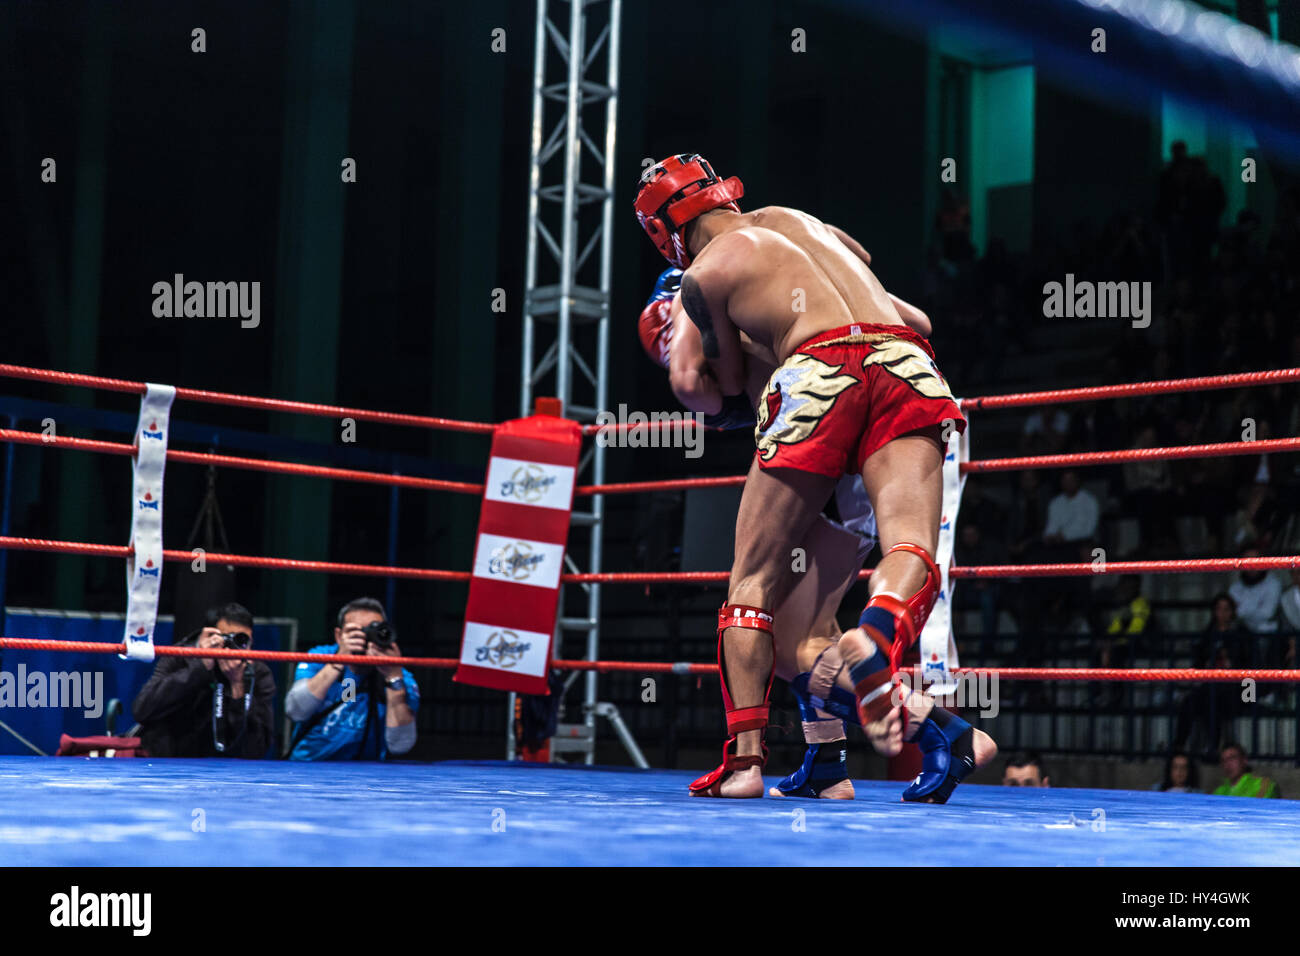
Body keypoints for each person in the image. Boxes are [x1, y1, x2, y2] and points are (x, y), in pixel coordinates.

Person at [634, 152, 996, 801]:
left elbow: (709, 390)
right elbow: (918, 323)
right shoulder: (811, 227)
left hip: (820, 387)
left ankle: (744, 765)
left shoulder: (699, 278)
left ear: (666, 232)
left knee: (753, 591)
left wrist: (736, 363)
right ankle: (868, 709)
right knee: (883, 569)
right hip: (908, 372)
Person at [133, 602, 276, 758]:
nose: (232, 647)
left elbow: (258, 748)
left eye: (241, 640)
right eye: (226, 638)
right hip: (173, 761)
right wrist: (200, 667)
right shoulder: (181, 657)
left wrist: (238, 685)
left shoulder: (257, 673)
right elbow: (142, 710)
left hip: (230, 769)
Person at [284, 598, 419, 760]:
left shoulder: (399, 675)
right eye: (357, 631)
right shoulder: (319, 658)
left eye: (373, 630)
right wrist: (338, 662)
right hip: (309, 765)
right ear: (339, 635)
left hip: (367, 773)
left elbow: (401, 745)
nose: (365, 638)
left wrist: (393, 677)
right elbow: (295, 712)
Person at [1211, 743, 1280, 798]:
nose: (1228, 765)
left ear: (1244, 760)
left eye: (1232, 758)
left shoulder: (1263, 784)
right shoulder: (1219, 791)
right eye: (1224, 761)